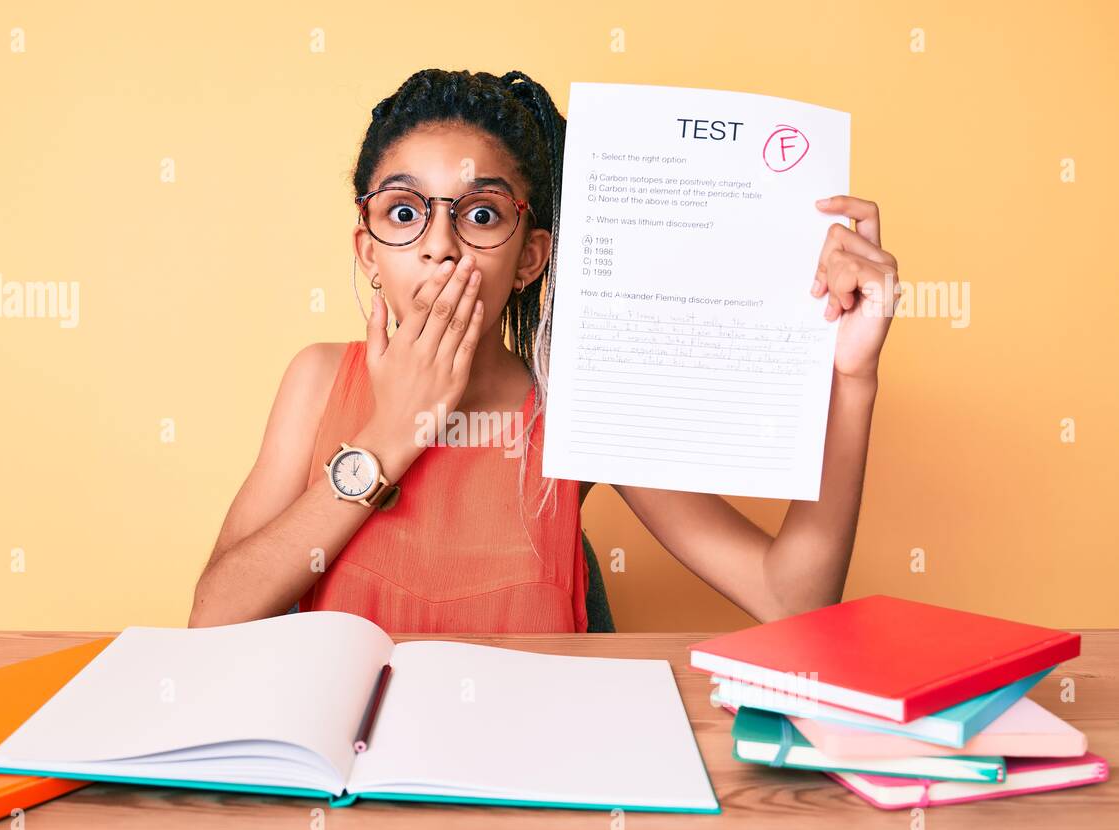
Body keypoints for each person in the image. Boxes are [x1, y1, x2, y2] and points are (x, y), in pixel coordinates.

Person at [188, 68, 900, 634]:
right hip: (349, 802)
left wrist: (854, 379)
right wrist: (386, 438)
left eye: (482, 214)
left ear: (530, 258)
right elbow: (211, 619)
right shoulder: (316, 380)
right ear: (368, 251)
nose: (440, 245)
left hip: (529, 798)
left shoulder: (576, 400)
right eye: (404, 213)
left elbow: (792, 597)